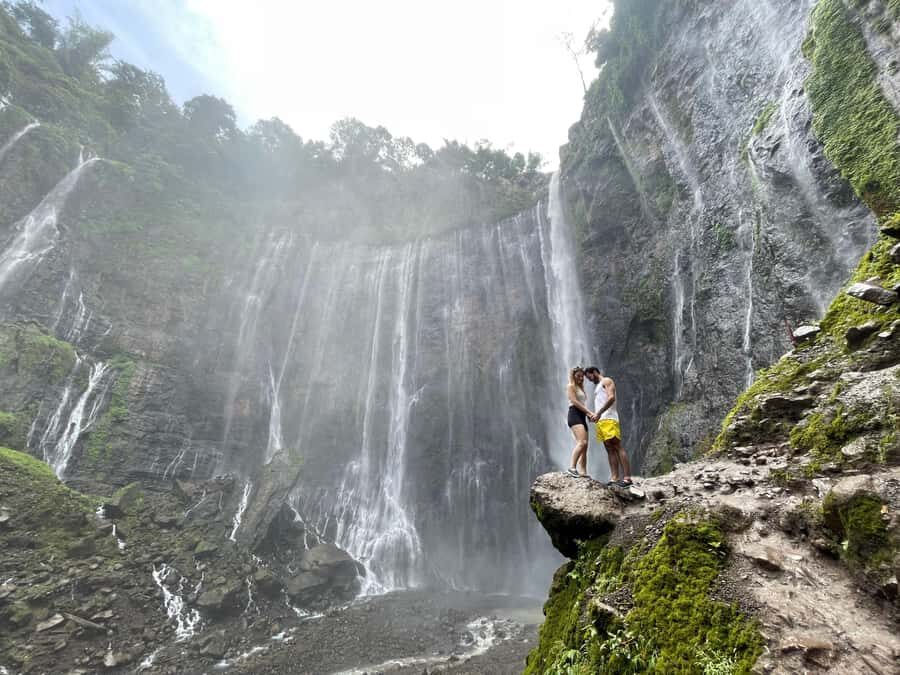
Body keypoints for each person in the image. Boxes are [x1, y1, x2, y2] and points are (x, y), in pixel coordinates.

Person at [584, 366, 633, 487]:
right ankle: (615, 477)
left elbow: (611, 398)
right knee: (609, 449)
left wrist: (599, 413)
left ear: (594, 372)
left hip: (610, 418)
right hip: (601, 421)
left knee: (616, 446)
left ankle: (627, 478)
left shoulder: (606, 381)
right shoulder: (598, 387)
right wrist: (595, 416)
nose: (589, 380)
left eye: (588, 376)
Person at [565, 366, 593, 478]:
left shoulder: (581, 388)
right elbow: (574, 402)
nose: (581, 378)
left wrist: (588, 415)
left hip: (582, 416)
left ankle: (583, 472)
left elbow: (582, 404)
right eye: (578, 376)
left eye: (582, 376)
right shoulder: (570, 386)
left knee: (585, 447)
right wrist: (589, 412)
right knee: (582, 443)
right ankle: (572, 468)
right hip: (574, 414)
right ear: (573, 376)